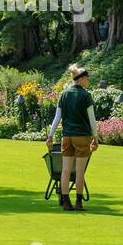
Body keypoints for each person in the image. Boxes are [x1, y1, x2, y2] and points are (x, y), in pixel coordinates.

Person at [45, 64, 98, 211]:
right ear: (81, 79)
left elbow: (57, 118)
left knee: (66, 170)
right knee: (80, 171)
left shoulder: (64, 94)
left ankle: (66, 202)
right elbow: (92, 120)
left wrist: (50, 136)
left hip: (67, 137)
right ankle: (79, 202)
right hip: (82, 137)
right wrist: (96, 138)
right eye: (87, 79)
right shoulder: (86, 95)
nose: (88, 81)